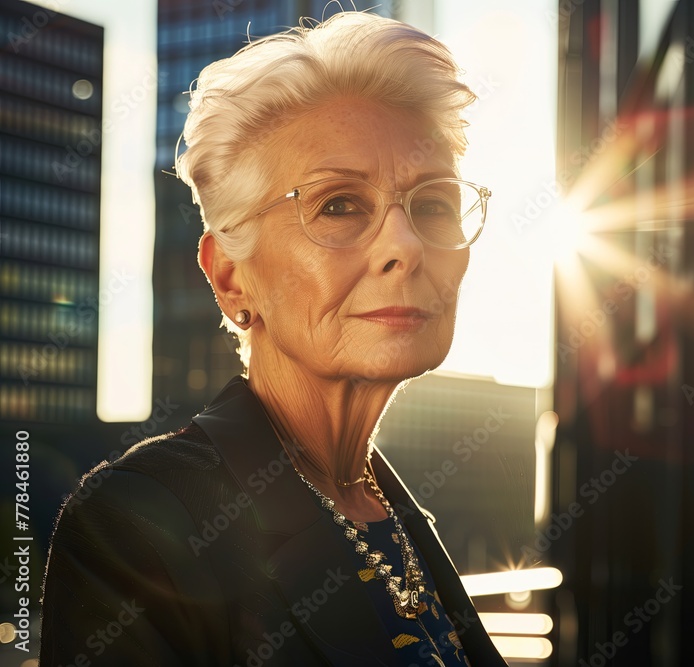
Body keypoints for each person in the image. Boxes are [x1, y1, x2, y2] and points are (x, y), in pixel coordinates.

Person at [40, 12, 505, 666]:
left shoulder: (397, 514)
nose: (405, 245)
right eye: (339, 204)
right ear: (231, 279)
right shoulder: (137, 523)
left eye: (433, 203)